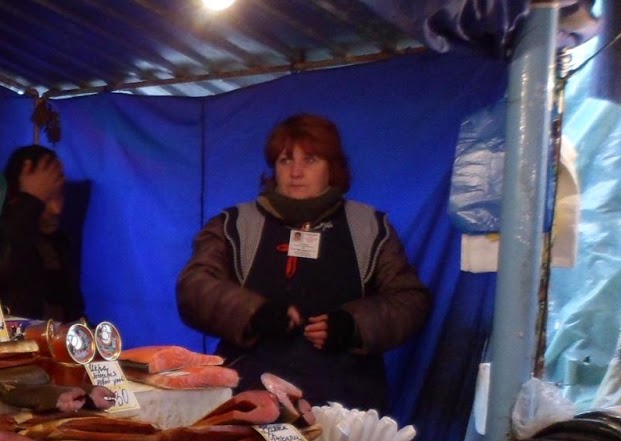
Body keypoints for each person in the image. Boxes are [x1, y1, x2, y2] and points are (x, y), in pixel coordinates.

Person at [176, 114, 431, 411]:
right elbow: (193, 287)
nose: (296, 172)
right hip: (250, 395)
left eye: (310, 160)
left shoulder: (372, 227)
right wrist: (252, 313)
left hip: (346, 402)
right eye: (286, 161)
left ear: (331, 168)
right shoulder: (232, 225)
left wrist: (354, 325)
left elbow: (410, 300)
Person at [0, 145, 84, 321]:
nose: (57, 209)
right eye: (47, 198)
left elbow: (71, 308)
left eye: (59, 196)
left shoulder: (59, 242)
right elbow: (3, 267)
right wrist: (31, 200)